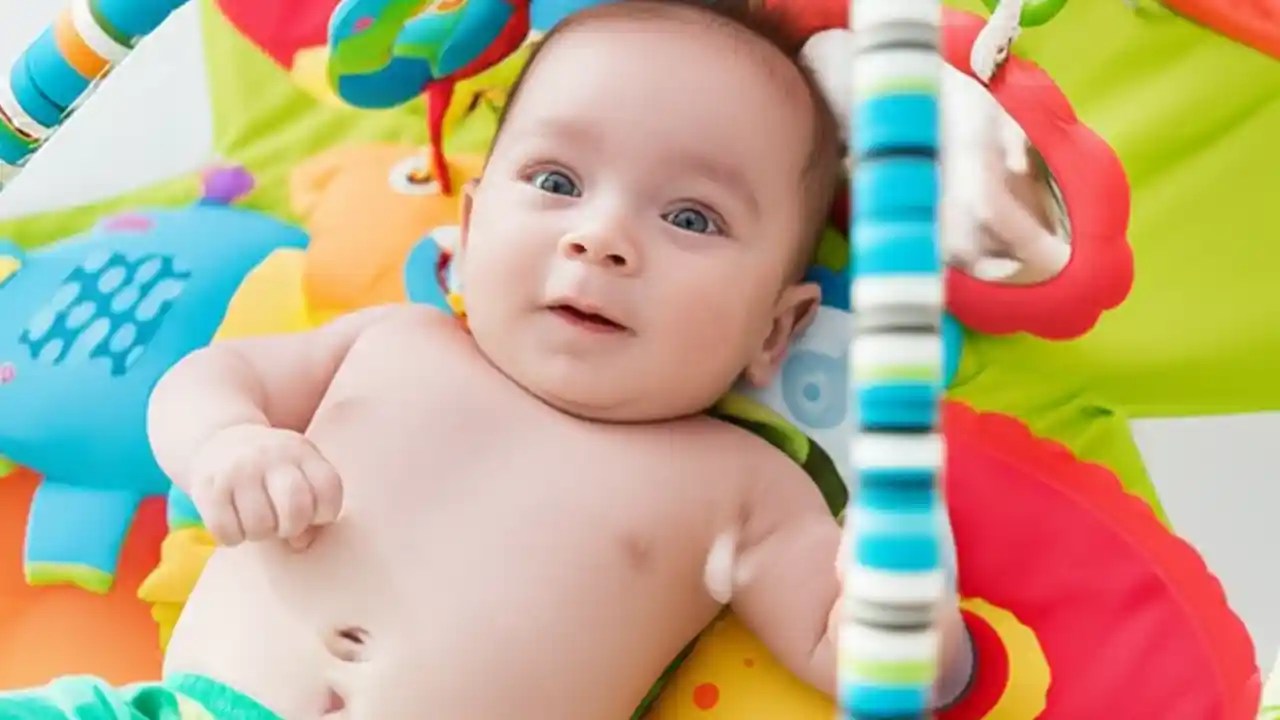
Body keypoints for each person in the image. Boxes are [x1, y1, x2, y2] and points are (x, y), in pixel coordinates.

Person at [0, 1, 970, 717]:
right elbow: (209, 381)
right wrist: (226, 443)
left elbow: (878, 663)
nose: (600, 238)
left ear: (775, 330)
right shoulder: (395, 342)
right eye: (556, 180)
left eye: (690, 217)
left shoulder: (743, 487)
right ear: (467, 234)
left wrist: (904, 595)